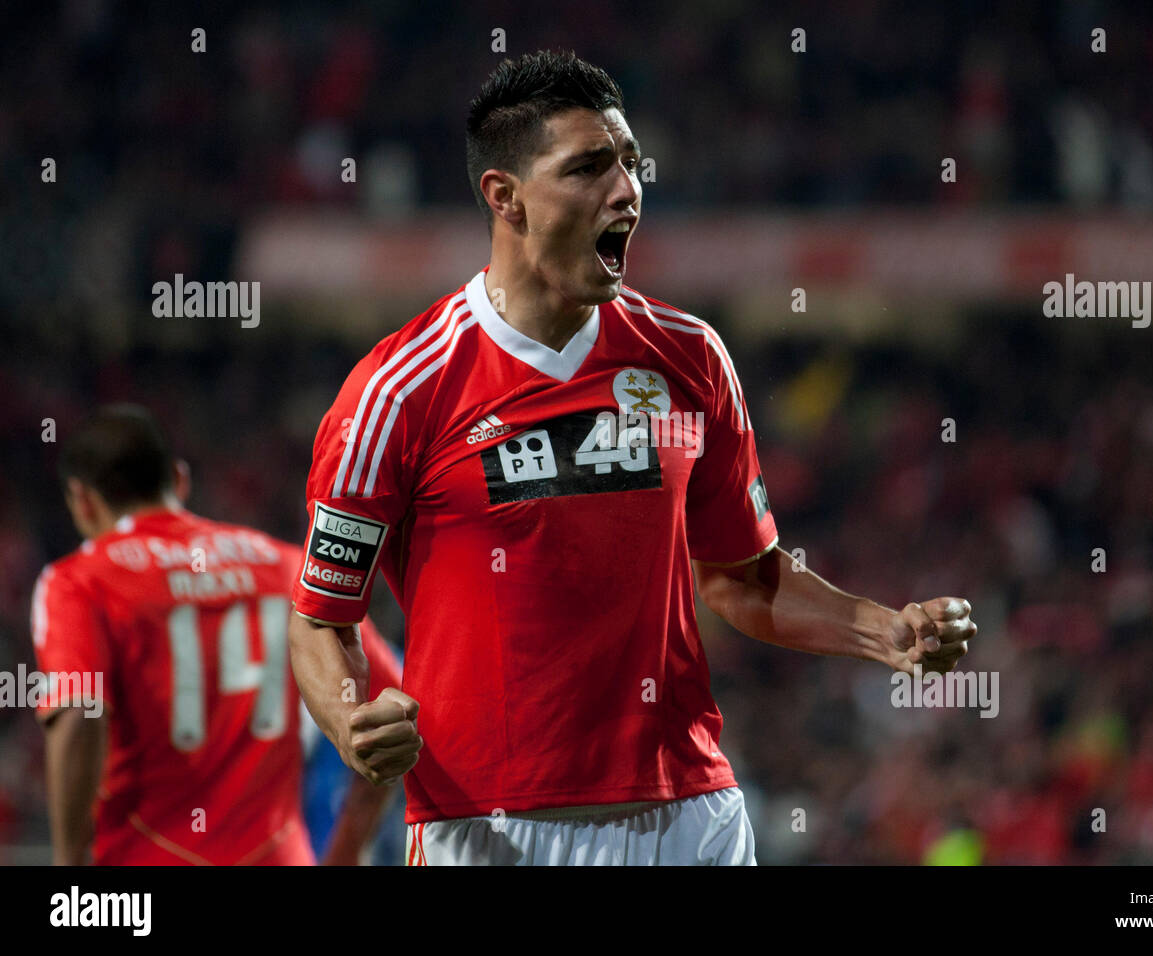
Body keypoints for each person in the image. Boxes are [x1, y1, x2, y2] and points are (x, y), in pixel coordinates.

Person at [288, 49, 976, 866]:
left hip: (691, 816)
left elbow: (741, 578)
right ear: (503, 197)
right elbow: (320, 618)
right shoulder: (399, 391)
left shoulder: (688, 356)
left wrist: (883, 630)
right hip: (493, 827)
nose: (627, 192)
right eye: (588, 169)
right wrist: (347, 719)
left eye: (630, 164)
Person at [32, 404, 402, 865]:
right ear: (179, 479)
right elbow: (386, 703)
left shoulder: (80, 582)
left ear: (82, 500)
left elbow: (75, 715)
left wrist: (68, 866)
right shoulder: (283, 564)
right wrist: (343, 856)